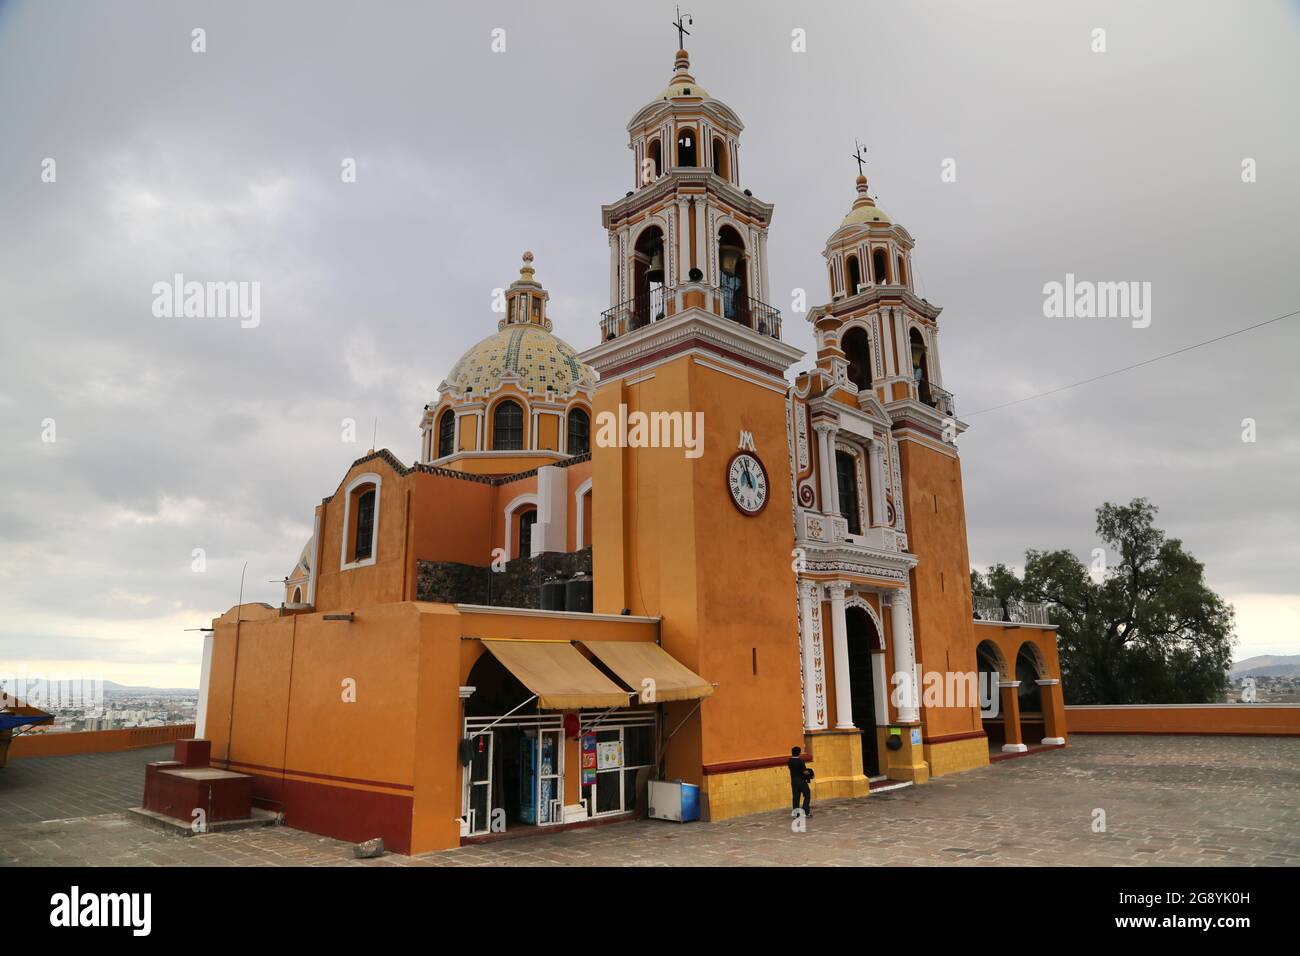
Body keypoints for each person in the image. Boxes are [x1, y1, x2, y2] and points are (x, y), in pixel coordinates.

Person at [787, 746, 813, 817]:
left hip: (793, 781)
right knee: (807, 794)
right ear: (799, 753)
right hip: (801, 781)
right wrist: (809, 773)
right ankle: (806, 811)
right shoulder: (800, 761)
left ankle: (796, 814)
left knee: (796, 797)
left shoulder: (789, 761)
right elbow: (805, 772)